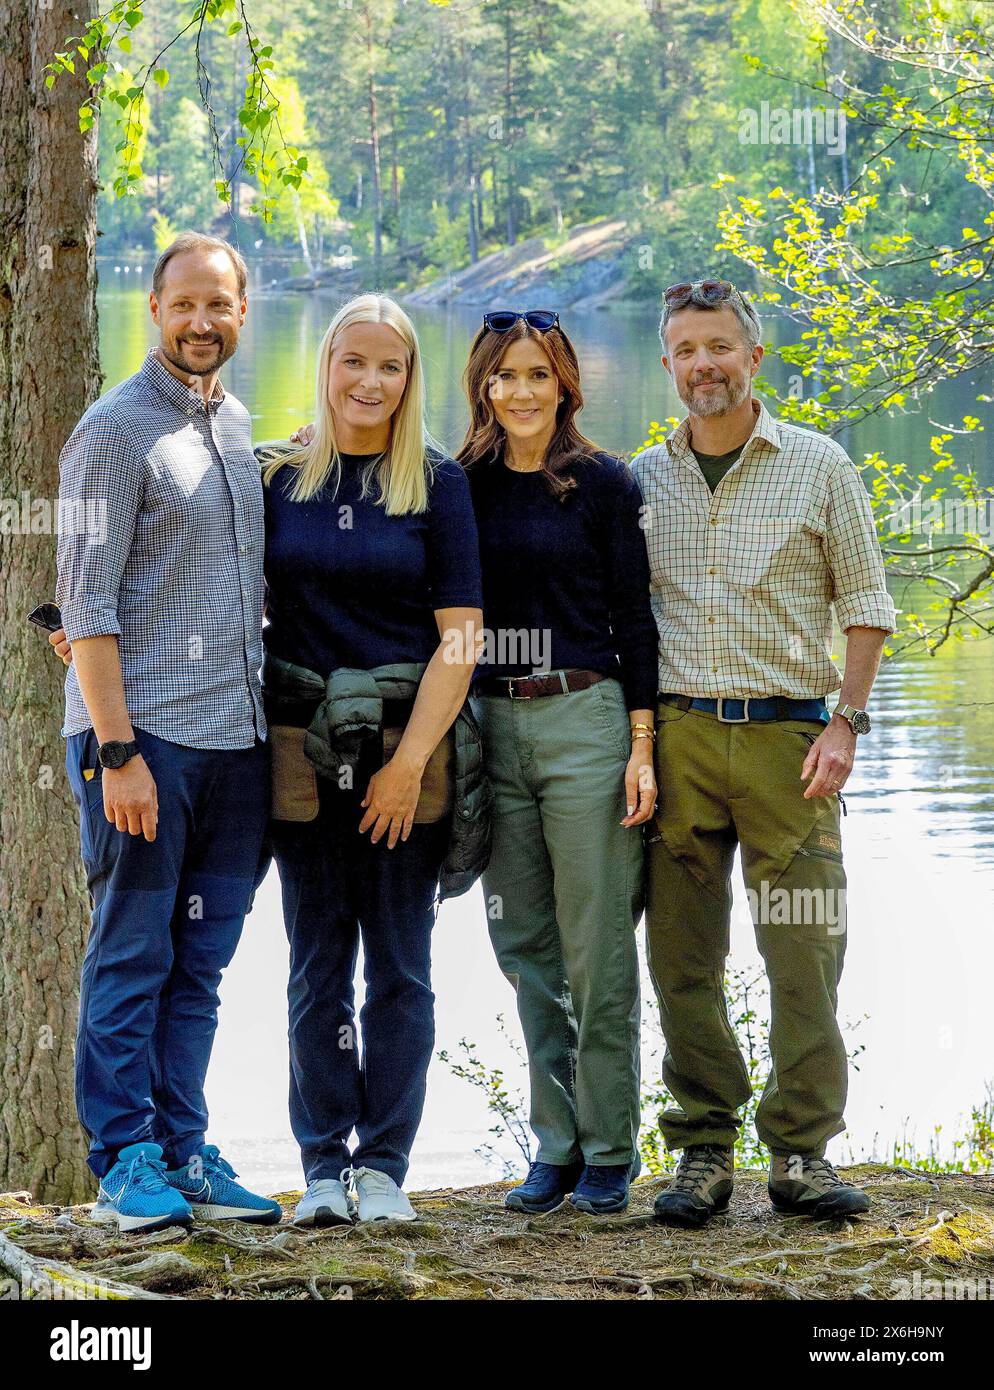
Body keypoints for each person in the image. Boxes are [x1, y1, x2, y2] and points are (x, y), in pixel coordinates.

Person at [631, 278, 897, 1227]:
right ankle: (703, 1150)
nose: (703, 365)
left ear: (753, 356)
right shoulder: (642, 478)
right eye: (685, 351)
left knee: (805, 950)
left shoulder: (819, 465)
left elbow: (868, 607)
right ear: (668, 366)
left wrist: (846, 723)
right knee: (684, 959)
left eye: (719, 347)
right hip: (683, 739)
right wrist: (642, 744)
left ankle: (801, 1154)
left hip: (793, 741)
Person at [53, 232, 280, 1233]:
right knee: (133, 954)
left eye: (219, 305)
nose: (201, 322)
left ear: (241, 312)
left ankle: (184, 1149)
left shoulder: (233, 429)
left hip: (234, 749)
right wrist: (116, 753)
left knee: (202, 963)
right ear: (154, 308)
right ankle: (123, 1157)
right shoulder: (113, 432)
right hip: (141, 746)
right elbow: (86, 608)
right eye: (184, 304)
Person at [262, 293, 487, 1226]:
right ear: (326, 364)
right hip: (301, 758)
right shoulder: (276, 477)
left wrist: (408, 764)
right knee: (317, 964)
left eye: (390, 366)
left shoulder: (436, 485)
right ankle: (321, 1167)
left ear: (410, 378)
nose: (371, 381)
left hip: (411, 757)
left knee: (400, 965)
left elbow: (463, 638)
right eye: (354, 361)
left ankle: (385, 1165)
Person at [457, 309, 659, 1215]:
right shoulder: (458, 483)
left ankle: (613, 1150)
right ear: (483, 387)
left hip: (587, 719)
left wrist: (641, 746)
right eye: (506, 376)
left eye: (539, 374)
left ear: (565, 383)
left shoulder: (605, 484)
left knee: (597, 950)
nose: (522, 392)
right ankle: (557, 1147)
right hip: (494, 727)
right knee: (526, 947)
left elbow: (635, 621)